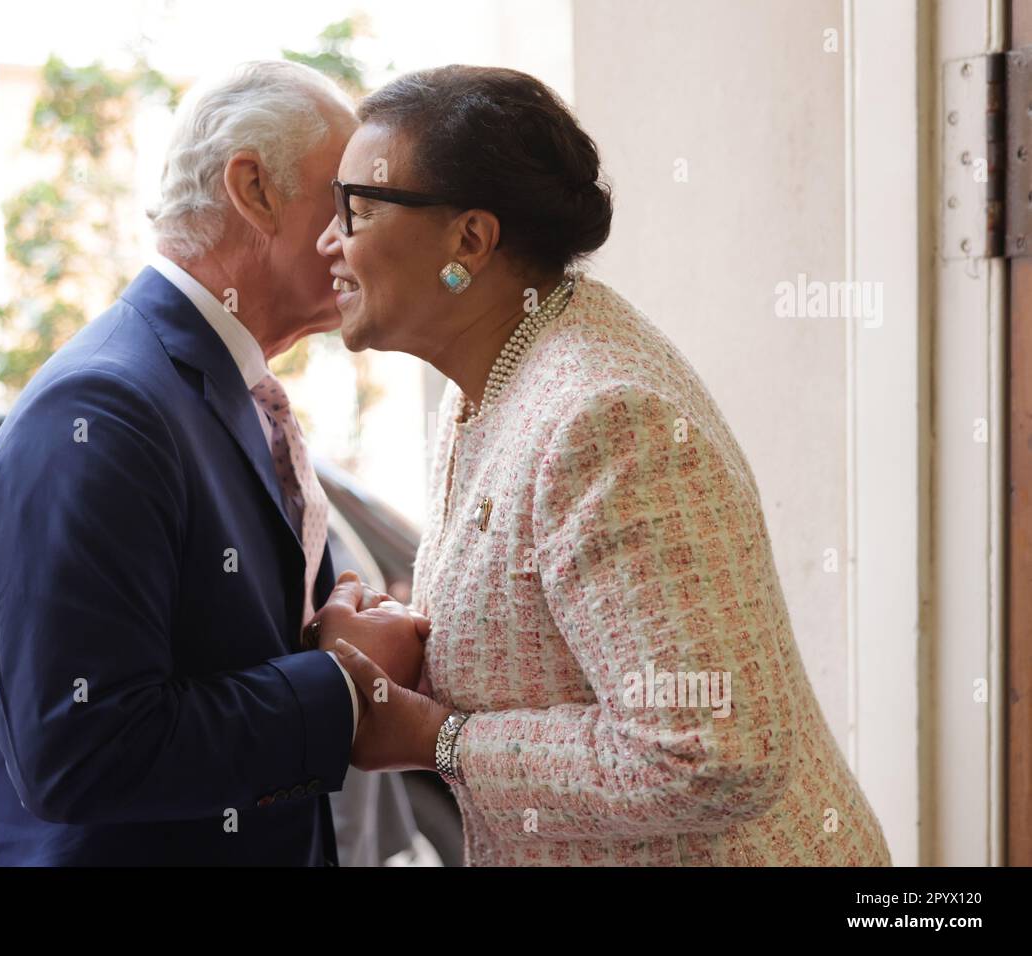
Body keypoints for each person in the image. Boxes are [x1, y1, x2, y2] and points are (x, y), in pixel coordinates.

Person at [315, 65, 893, 866]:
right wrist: (404, 642)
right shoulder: (486, 382)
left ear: (469, 240)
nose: (329, 240)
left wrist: (441, 740)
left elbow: (713, 751)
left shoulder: (604, 418)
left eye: (359, 209)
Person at [0, 60, 425, 866]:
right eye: (346, 201)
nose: (361, 235)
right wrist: (341, 682)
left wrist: (327, 635)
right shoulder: (100, 410)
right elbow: (83, 750)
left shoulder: (207, 389)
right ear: (255, 190)